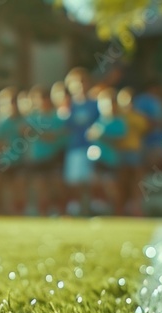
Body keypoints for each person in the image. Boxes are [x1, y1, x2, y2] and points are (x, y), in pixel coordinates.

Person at [61, 68, 99, 216]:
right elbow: (65, 127)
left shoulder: (95, 104)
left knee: (90, 181)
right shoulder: (69, 106)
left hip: (90, 149)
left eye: (83, 81)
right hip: (74, 147)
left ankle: (90, 208)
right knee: (74, 182)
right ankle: (76, 208)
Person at [23, 86, 65, 216]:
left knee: (56, 186)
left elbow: (56, 138)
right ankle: (42, 212)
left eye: (44, 98)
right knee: (40, 187)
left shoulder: (57, 118)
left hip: (53, 158)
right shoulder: (30, 118)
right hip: (36, 158)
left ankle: (57, 210)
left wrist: (39, 134)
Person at [86, 88, 127, 215]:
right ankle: (100, 211)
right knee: (97, 186)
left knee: (113, 188)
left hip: (112, 160)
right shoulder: (99, 121)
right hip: (99, 161)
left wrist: (102, 136)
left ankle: (118, 212)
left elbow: (119, 141)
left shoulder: (119, 121)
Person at [115, 88, 149, 216]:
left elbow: (145, 130)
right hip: (121, 152)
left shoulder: (138, 116)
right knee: (122, 182)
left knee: (136, 182)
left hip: (134, 152)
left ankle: (136, 208)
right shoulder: (118, 116)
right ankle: (120, 209)